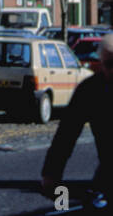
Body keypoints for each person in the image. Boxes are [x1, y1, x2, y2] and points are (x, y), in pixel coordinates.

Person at [41, 32, 113, 199]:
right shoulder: (90, 90)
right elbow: (66, 133)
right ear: (101, 62)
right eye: (109, 64)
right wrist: (52, 173)